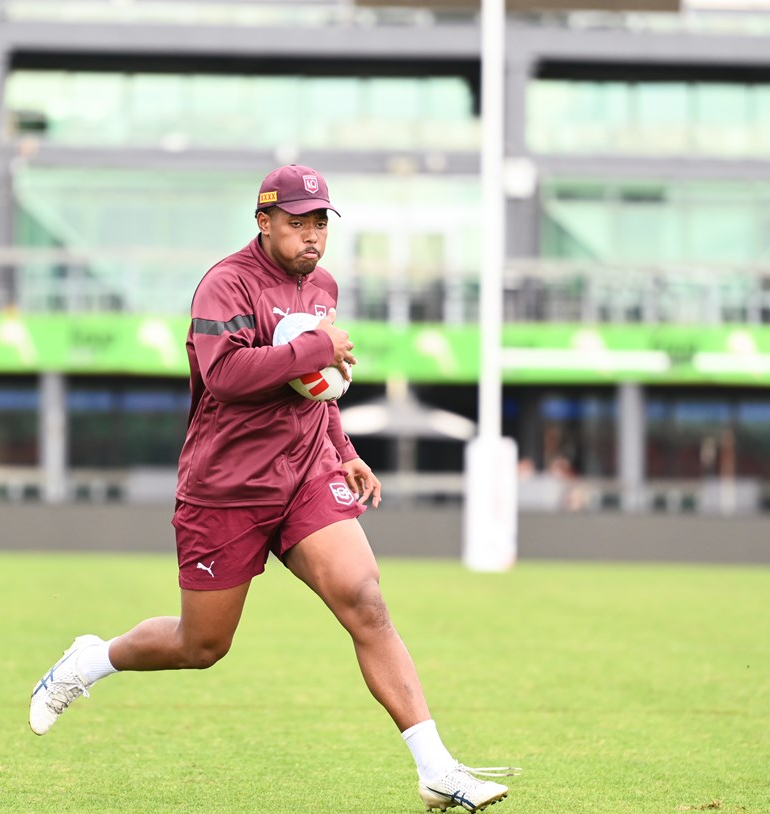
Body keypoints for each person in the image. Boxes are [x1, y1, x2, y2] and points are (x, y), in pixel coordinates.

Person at [29, 165, 516, 812]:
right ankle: (92, 660)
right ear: (263, 222)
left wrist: (344, 450)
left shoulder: (323, 286)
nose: (312, 236)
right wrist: (316, 348)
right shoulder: (225, 284)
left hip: (306, 473)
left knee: (366, 601)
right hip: (227, 487)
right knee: (201, 645)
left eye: (320, 223)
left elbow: (318, 389)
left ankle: (437, 769)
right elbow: (226, 375)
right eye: (297, 223)